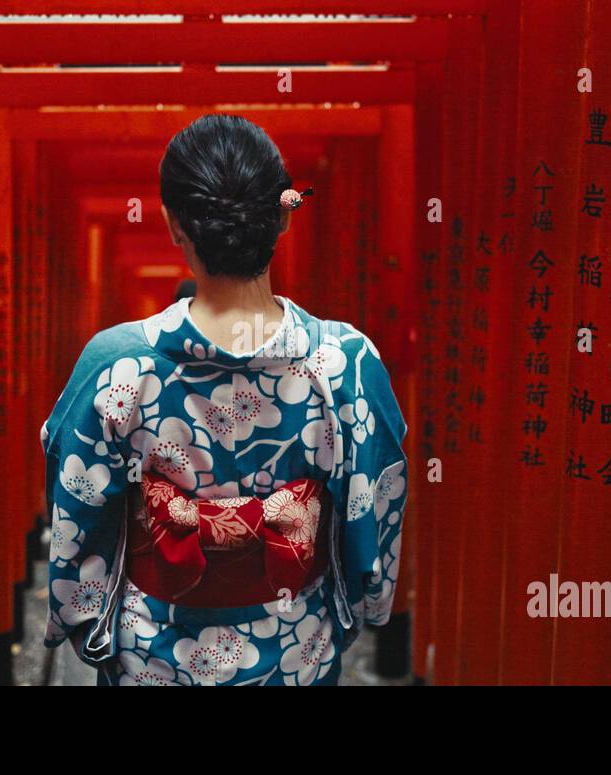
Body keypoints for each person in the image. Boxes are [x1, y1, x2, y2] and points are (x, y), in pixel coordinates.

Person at [41, 113, 408, 686]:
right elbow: (374, 508)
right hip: (297, 649)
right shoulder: (344, 362)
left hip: (153, 655)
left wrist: (81, 619)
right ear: (284, 216)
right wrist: (364, 607)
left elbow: (78, 510)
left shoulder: (119, 363)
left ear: (172, 224)